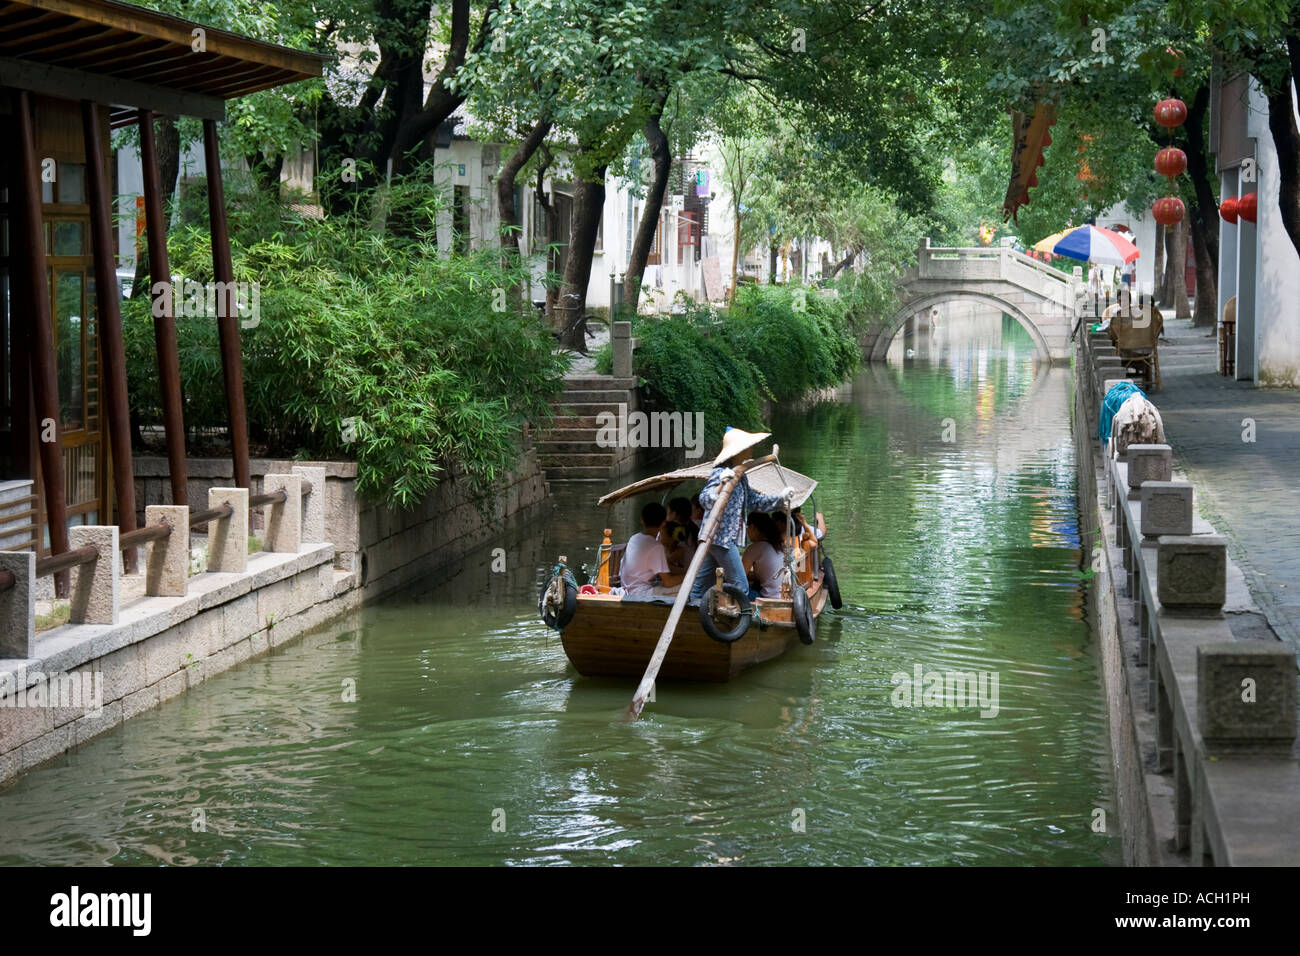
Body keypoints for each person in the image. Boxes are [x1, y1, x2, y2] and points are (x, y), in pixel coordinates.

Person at [688, 427, 794, 604]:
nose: (751, 451)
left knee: (700, 586)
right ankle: (740, 622)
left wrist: (780, 498)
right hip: (720, 538)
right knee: (740, 586)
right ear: (739, 451)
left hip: (716, 539)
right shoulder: (720, 473)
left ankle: (695, 616)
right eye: (748, 447)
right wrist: (722, 483)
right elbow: (705, 499)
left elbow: (754, 502)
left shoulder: (741, 476)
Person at [621, 502, 684, 597]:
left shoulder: (634, 538)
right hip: (639, 593)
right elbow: (668, 582)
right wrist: (690, 576)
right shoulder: (656, 546)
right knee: (689, 587)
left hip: (627, 587)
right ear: (663, 524)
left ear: (642, 520)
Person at [742, 512, 785, 599]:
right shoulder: (778, 545)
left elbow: (740, 577)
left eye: (747, 528)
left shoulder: (754, 548)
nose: (746, 532)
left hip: (769, 597)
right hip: (784, 595)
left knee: (733, 590)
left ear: (752, 527)